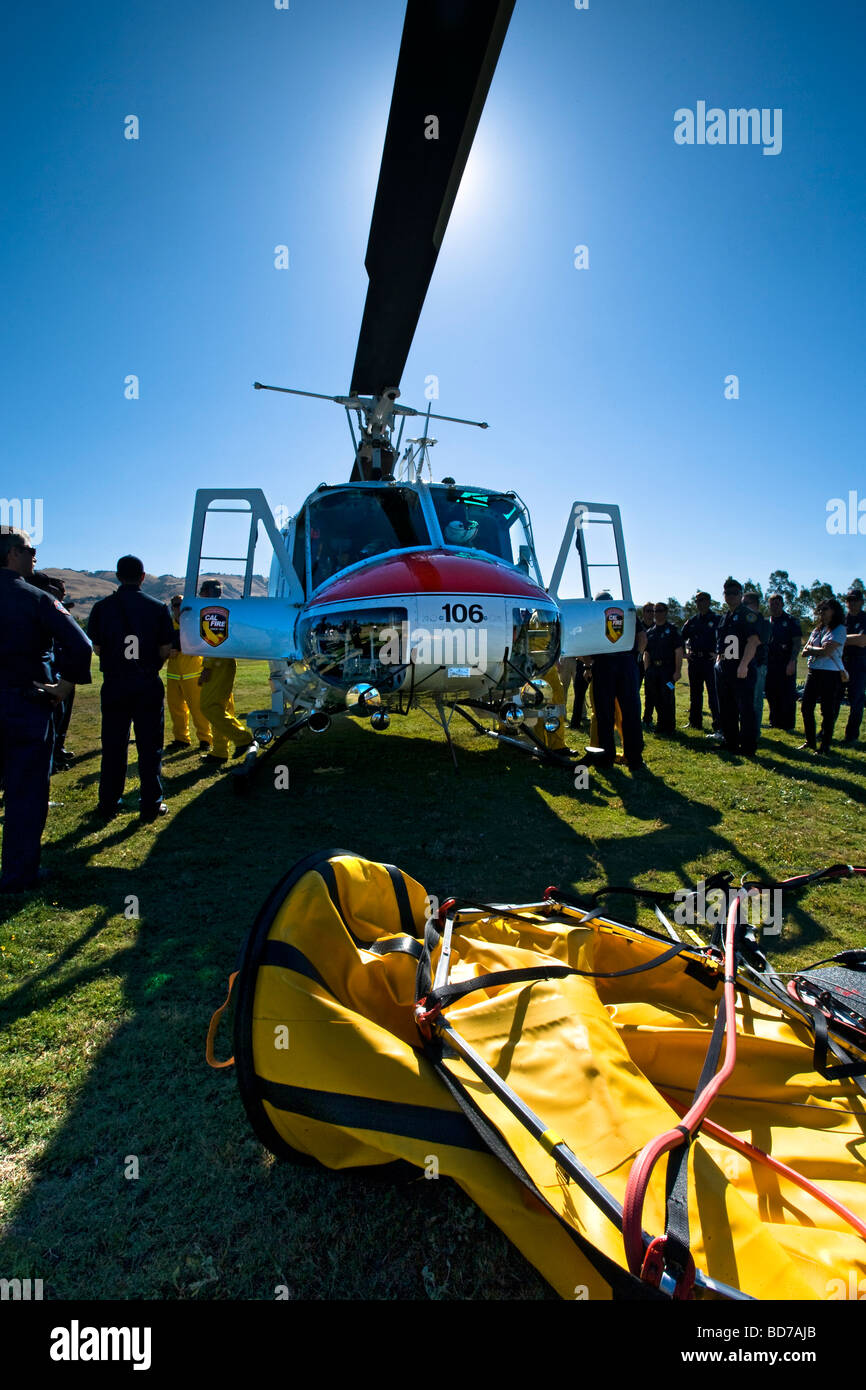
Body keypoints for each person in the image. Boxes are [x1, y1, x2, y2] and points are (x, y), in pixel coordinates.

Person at [0, 528, 92, 892]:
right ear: (11, 555)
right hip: (23, 705)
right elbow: (80, 644)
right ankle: (19, 875)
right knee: (25, 793)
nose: (34, 556)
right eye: (29, 549)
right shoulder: (35, 598)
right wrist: (65, 686)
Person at [87, 555, 174, 821]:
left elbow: (97, 647)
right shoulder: (158, 608)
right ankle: (151, 802)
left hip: (115, 682)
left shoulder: (102, 608)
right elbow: (165, 649)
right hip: (146, 682)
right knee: (150, 746)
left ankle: (109, 802)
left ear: (117, 575)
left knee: (113, 745)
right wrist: (151, 666)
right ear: (143, 576)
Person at [197, 580, 257, 765]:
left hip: (218, 663)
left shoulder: (213, 610)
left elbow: (216, 642)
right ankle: (220, 752)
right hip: (222, 662)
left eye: (202, 591)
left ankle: (243, 738)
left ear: (207, 592)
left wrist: (207, 666)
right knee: (219, 708)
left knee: (209, 706)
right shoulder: (223, 609)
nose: (199, 595)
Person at [584, 596, 646, 769]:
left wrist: (589, 664)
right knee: (630, 712)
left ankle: (606, 758)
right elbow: (642, 637)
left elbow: (584, 643)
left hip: (604, 665)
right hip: (626, 662)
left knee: (605, 713)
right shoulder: (625, 613)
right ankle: (634, 758)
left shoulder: (593, 615)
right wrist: (636, 657)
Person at [713, 578, 761, 756]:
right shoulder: (725, 616)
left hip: (741, 666)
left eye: (735, 593)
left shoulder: (747, 615)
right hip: (724, 665)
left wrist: (744, 665)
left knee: (745, 708)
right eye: (727, 593)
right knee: (726, 707)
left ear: (741, 595)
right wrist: (719, 660)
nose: (730, 596)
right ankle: (730, 742)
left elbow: (753, 641)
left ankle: (748, 746)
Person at [799, 599, 847, 755]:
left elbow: (826, 651)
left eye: (825, 609)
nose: (822, 612)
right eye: (820, 610)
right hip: (814, 671)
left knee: (827, 710)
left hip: (830, 673)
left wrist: (812, 650)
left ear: (834, 611)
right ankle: (810, 741)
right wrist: (814, 649)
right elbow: (805, 649)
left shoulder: (839, 629)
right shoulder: (817, 630)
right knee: (806, 707)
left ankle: (825, 745)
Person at [165, 595, 211, 752]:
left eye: (180, 605)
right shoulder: (167, 627)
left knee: (198, 709)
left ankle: (205, 739)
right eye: (174, 606)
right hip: (173, 674)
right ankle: (181, 739)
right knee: (176, 709)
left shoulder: (194, 625)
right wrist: (167, 653)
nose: (177, 609)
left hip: (193, 673)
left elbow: (204, 644)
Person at [680, 592, 721, 733]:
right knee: (695, 694)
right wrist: (685, 653)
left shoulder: (717, 619)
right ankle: (695, 722)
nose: (699, 603)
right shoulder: (692, 621)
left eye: (702, 600)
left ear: (709, 602)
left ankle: (718, 725)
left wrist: (719, 653)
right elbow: (680, 638)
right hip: (695, 661)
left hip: (710, 661)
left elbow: (727, 638)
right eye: (697, 601)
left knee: (714, 695)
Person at [642, 603, 683, 734]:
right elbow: (646, 653)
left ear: (666, 612)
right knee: (655, 697)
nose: (657, 613)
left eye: (660, 611)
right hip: (654, 671)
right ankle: (660, 725)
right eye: (655, 611)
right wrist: (647, 670)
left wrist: (677, 671)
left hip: (668, 671)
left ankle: (670, 726)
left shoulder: (672, 630)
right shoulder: (650, 632)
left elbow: (679, 651)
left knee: (668, 697)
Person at [765, 593, 802, 731]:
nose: (774, 607)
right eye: (772, 604)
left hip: (786, 663)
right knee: (771, 693)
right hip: (770, 663)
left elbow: (797, 642)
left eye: (777, 604)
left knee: (787, 694)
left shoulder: (791, 621)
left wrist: (792, 661)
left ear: (782, 604)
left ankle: (788, 724)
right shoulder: (767, 622)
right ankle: (774, 722)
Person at [743, 592, 770, 733]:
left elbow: (757, 642)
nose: (743, 607)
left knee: (755, 700)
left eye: (746, 604)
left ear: (756, 605)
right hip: (743, 666)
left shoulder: (763, 622)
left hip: (757, 665)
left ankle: (754, 731)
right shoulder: (743, 621)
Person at [842, 588, 866, 745]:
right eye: (849, 600)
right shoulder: (842, 619)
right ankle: (826, 731)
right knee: (833, 697)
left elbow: (862, 640)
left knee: (856, 700)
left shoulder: (865, 618)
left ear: (862, 602)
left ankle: (851, 736)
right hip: (841, 662)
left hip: (859, 663)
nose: (852, 603)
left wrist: (839, 638)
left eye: (855, 600)